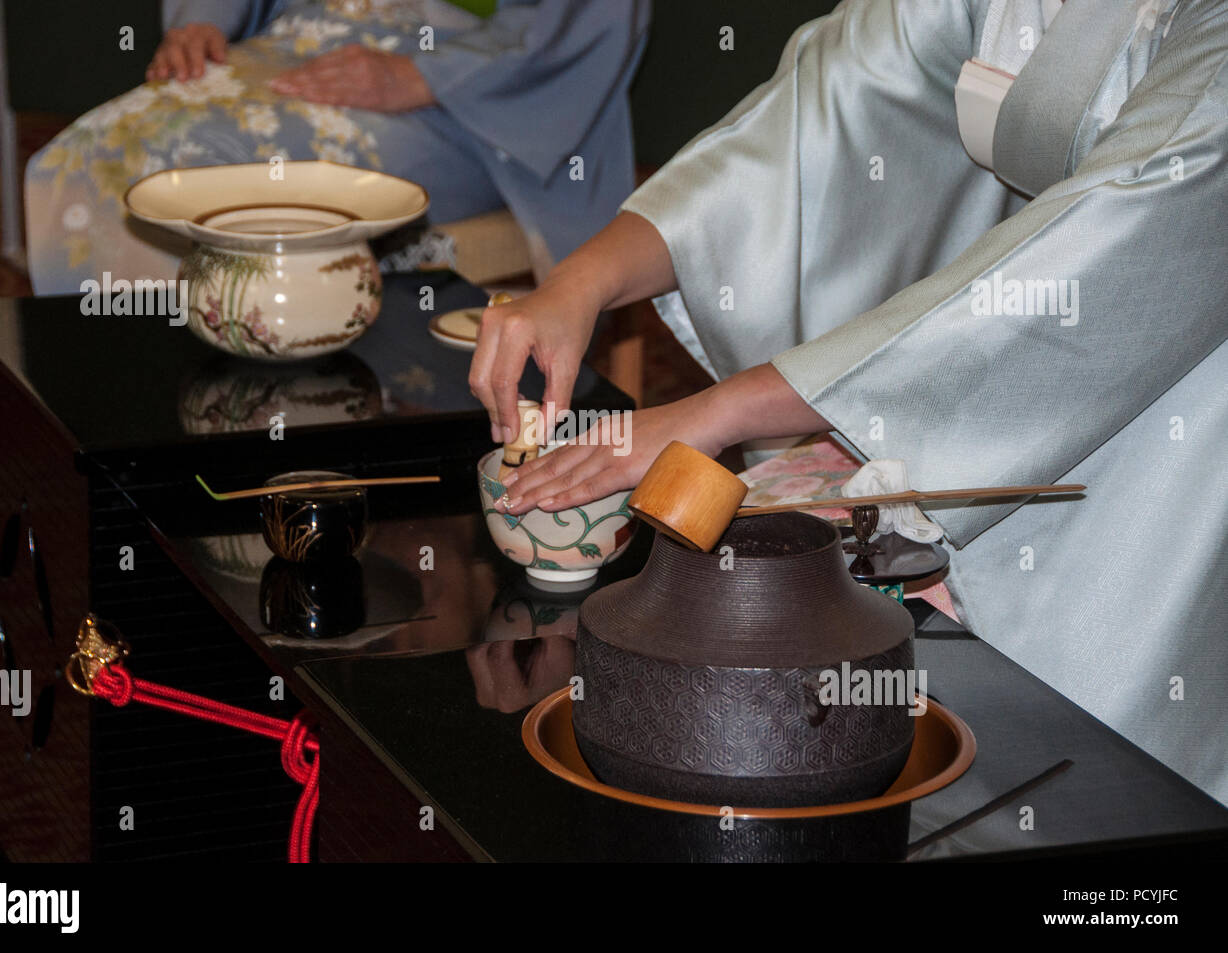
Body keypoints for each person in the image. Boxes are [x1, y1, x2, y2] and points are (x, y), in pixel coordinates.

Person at [471, 0, 1228, 803]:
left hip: (1172, 427)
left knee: (1105, 780)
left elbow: (1104, 243)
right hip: (981, 385)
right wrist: (578, 285)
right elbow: (807, 128)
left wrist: (711, 415)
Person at [24, 0, 649, 293]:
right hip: (295, 39)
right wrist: (202, 18)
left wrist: (425, 75)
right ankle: (125, 460)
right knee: (82, 163)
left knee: (238, 195)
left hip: (477, 96)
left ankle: (262, 473)